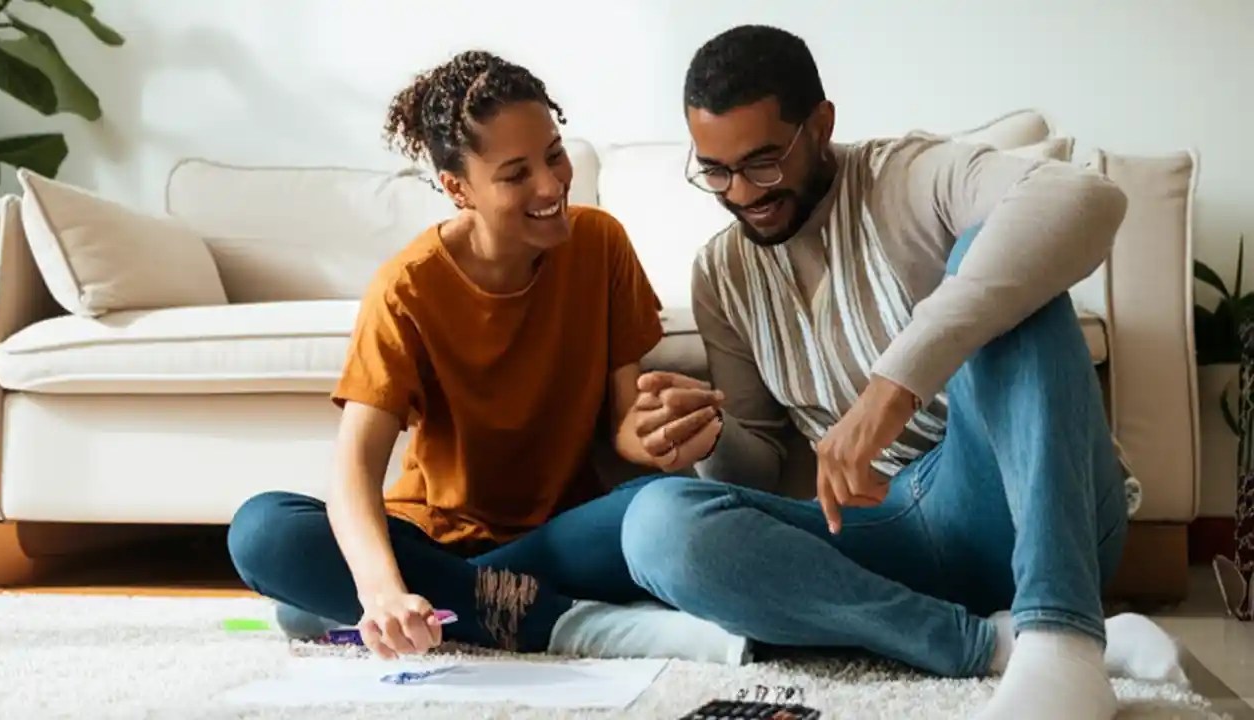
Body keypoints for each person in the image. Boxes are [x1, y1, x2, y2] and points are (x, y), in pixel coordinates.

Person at [619, 25, 1188, 719]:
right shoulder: (721, 273)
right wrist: (707, 439)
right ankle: (988, 645)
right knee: (654, 525)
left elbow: (1084, 199)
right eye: (715, 170)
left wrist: (893, 387)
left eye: (764, 162)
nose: (742, 193)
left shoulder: (907, 177)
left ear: (820, 125)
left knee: (1001, 251)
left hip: (1019, 504)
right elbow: (757, 468)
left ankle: (1062, 635)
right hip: (884, 536)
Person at [226, 50, 748, 665]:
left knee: (661, 512)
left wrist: (661, 435)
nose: (551, 185)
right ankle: (569, 626)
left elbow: (625, 427)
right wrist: (384, 591)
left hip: (558, 540)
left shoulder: (600, 245)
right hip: (434, 540)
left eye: (554, 154)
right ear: (457, 188)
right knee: (263, 532)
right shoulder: (407, 289)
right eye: (515, 173)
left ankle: (441, 609)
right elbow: (352, 475)